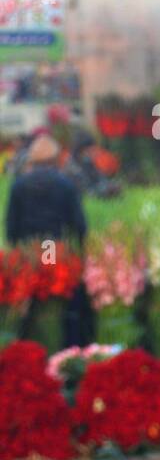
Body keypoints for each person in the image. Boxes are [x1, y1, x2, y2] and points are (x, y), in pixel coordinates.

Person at [4, 134, 92, 346]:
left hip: (27, 248)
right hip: (53, 247)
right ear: (55, 159)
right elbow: (79, 224)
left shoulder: (19, 184)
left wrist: (17, 250)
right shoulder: (64, 184)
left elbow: (10, 225)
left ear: (32, 160)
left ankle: (33, 341)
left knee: (30, 296)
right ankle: (53, 341)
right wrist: (79, 251)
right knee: (52, 294)